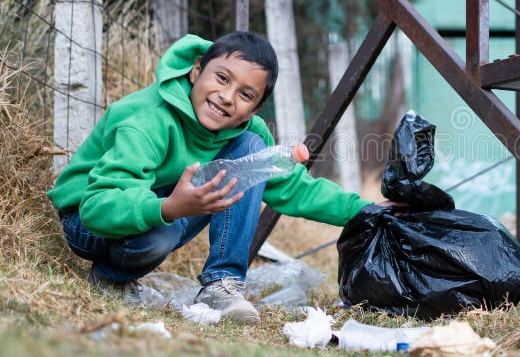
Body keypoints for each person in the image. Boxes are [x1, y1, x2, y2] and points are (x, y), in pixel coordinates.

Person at [48, 32, 377, 325]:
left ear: (253, 111)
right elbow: (96, 207)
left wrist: (372, 211)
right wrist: (167, 208)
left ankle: (221, 285)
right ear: (195, 71)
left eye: (246, 95)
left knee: (251, 149)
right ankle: (110, 277)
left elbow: (293, 189)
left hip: (159, 209)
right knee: (158, 234)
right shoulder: (147, 120)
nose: (227, 96)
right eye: (221, 78)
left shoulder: (245, 134)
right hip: (89, 222)